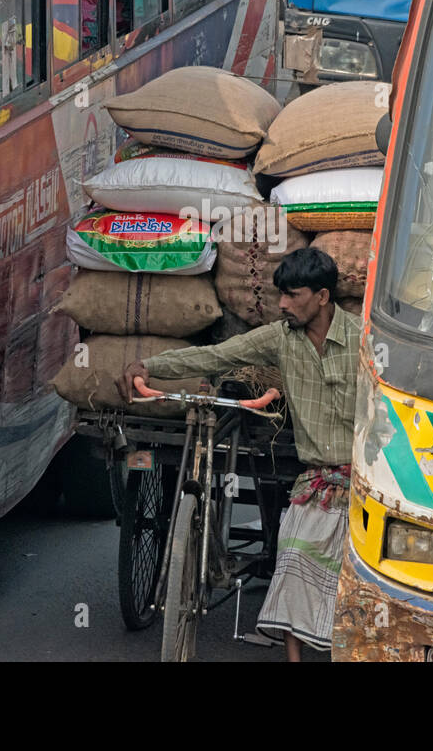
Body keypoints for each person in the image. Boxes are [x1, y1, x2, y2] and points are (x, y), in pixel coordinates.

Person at [117, 247, 359, 660]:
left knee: (359, 590)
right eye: (280, 294)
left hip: (363, 484)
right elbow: (215, 355)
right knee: (293, 568)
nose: (282, 304)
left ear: (322, 297)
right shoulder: (280, 338)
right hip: (315, 481)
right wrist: (149, 364)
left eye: (292, 295)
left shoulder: (364, 339)